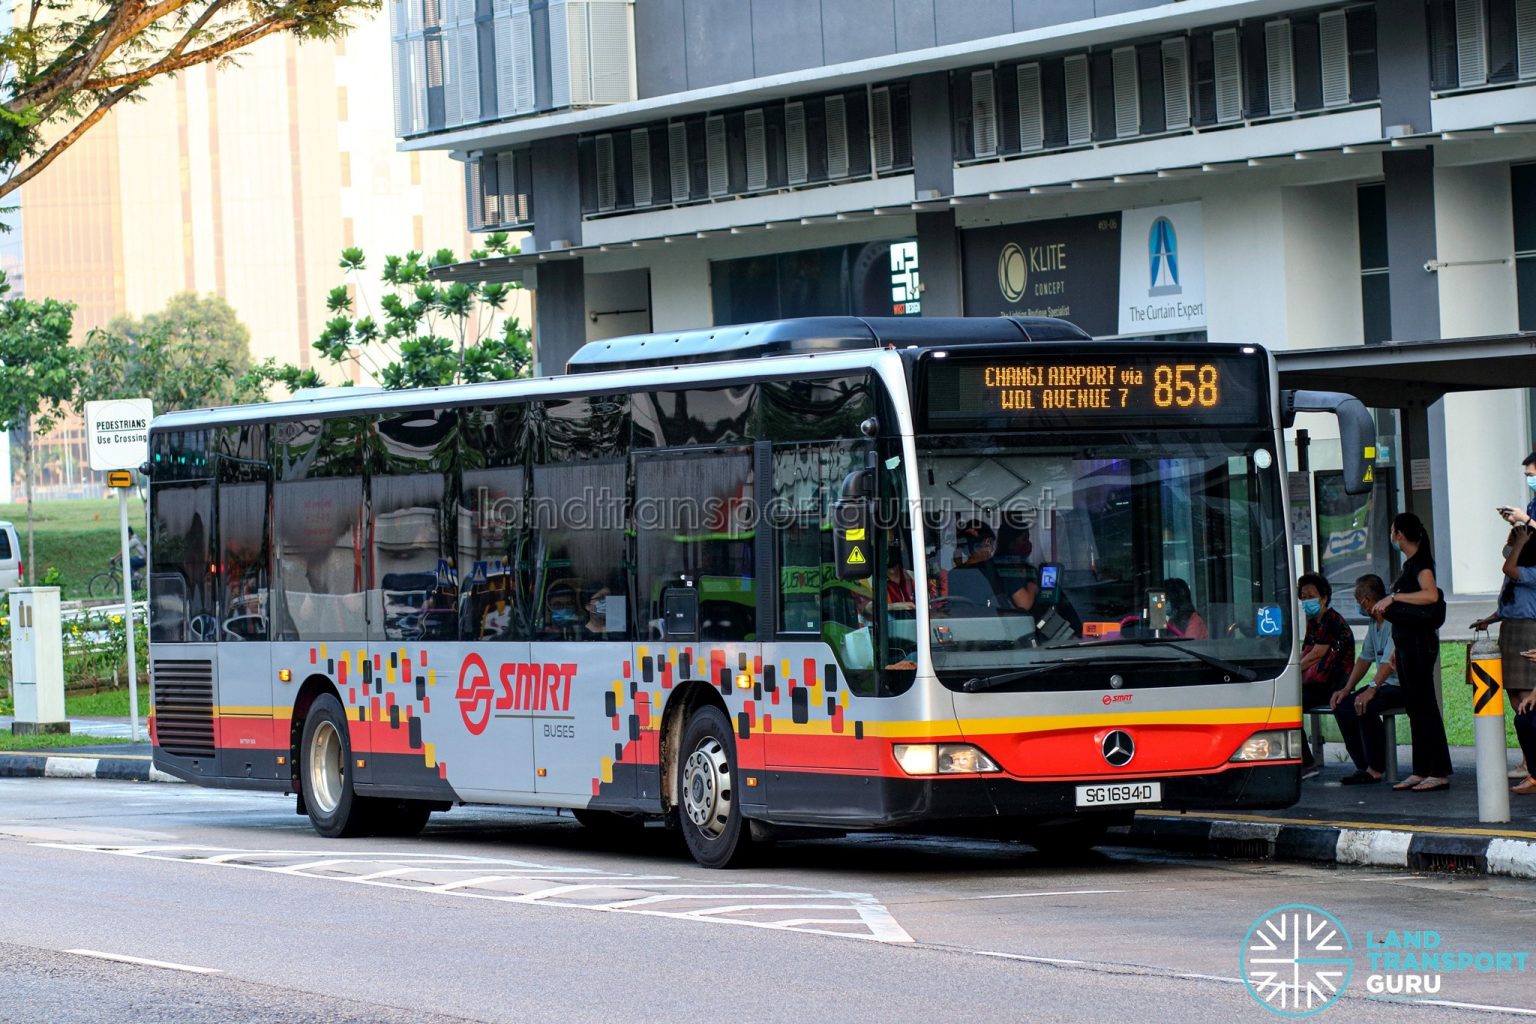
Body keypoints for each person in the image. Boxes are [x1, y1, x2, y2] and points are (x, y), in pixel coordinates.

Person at [1371, 512, 1453, 792]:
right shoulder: (1409, 564)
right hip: (1406, 644)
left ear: (1399, 535)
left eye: (1393, 531)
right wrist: (1396, 648)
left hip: (1419, 644)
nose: (1392, 536)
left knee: (1425, 705)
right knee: (1415, 708)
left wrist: (1393, 596)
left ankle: (1439, 769)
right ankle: (1421, 768)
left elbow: (1430, 595)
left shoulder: (1421, 563)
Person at [1470, 518, 1536, 781]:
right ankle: (1527, 758)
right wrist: (1491, 619)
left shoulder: (1529, 571)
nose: (1508, 546)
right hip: (1509, 631)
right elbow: (1512, 604)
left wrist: (1520, 543)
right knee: (1514, 698)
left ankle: (1531, 761)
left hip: (1527, 633)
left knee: (1526, 699)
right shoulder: (1517, 571)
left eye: (1513, 541)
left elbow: (1508, 567)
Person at [1332, 574, 1403, 785]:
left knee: (1365, 704)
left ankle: (1376, 767)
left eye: (1357, 601)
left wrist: (1370, 689)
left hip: (1399, 685)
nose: (1358, 606)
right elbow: (1364, 659)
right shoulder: (1374, 623)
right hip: (1384, 684)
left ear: (1366, 600)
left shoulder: (1393, 620)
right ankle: (1362, 765)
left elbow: (1388, 663)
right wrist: (1347, 689)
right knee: (1343, 706)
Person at [1298, 572, 1355, 778]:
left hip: (1333, 685)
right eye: (1303, 596)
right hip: (1319, 683)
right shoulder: (1314, 621)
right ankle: (1305, 761)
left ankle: (1306, 763)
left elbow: (1315, 655)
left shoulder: (1331, 620)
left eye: (1311, 595)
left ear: (1323, 597)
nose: (1306, 600)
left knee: (1288, 708)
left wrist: (1292, 671)